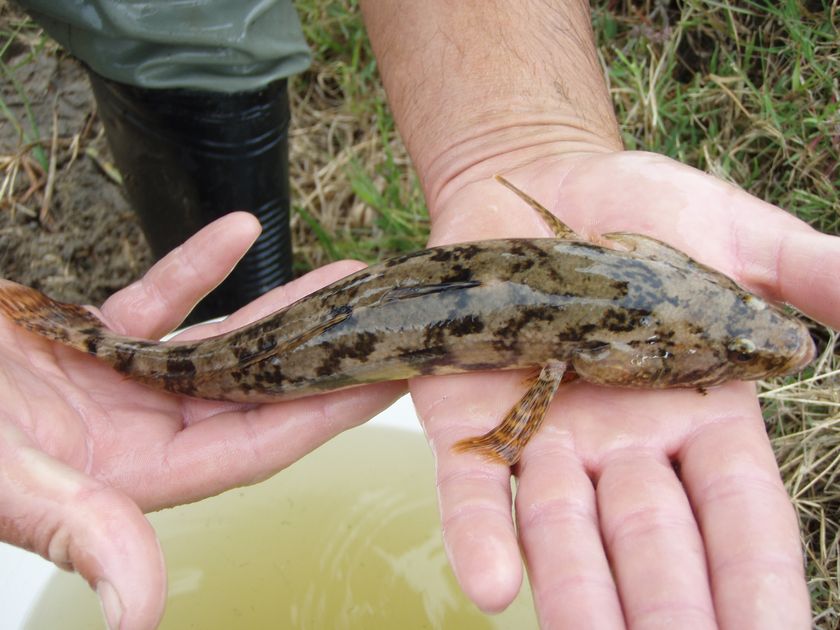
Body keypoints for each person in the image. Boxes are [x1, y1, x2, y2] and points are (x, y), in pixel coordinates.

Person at [2, 1, 834, 629]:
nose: (750, 358)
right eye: (733, 351)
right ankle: (138, 331)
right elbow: (590, 359)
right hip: (318, 338)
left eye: (733, 353)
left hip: (350, 316)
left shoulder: (606, 266)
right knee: (230, 326)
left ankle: (145, 325)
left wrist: (516, 137)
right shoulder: (589, 342)